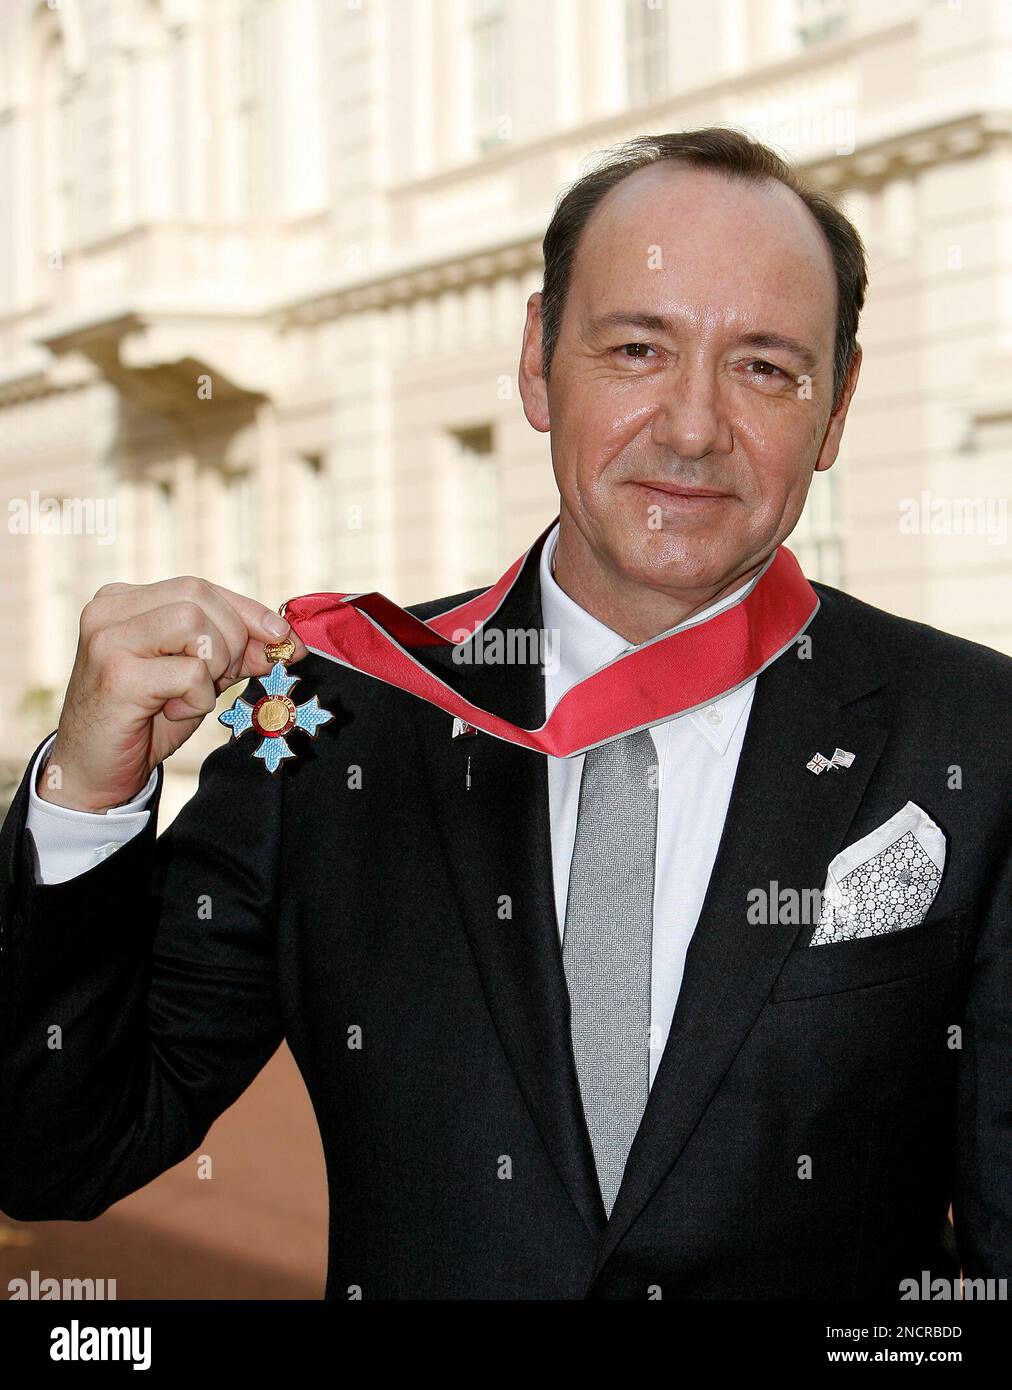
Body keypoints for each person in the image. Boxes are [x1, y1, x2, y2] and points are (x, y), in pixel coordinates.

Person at [0, 128, 1008, 1299]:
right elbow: (57, 1149)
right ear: (538, 363)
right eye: (637, 347)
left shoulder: (974, 739)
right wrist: (86, 793)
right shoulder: (334, 710)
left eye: (765, 368)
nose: (692, 427)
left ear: (834, 412)